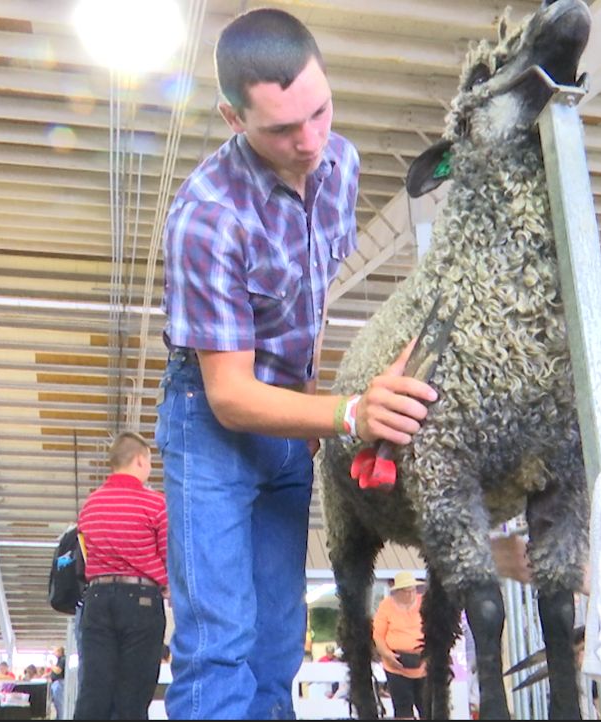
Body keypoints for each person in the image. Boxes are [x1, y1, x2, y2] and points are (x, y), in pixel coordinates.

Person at [157, 9, 436, 719]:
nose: (310, 141)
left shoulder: (341, 165)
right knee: (218, 641)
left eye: (320, 111)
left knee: (279, 640)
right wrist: (347, 412)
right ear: (232, 117)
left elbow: (309, 298)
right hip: (212, 423)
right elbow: (228, 395)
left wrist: (312, 404)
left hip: (291, 412)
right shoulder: (207, 218)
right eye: (283, 129)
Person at [75, 432, 167, 720]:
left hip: (97, 599)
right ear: (139, 460)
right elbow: (169, 556)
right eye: (149, 462)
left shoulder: (90, 505)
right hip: (141, 602)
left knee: (94, 691)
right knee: (133, 696)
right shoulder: (155, 504)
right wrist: (167, 586)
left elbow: (86, 552)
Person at [373, 572, 427, 719]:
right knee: (402, 708)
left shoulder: (425, 603)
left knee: (427, 708)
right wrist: (386, 654)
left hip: (424, 664)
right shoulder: (386, 606)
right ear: (397, 591)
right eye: (406, 591)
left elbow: (437, 630)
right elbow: (378, 635)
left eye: (413, 590)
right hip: (396, 664)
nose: (410, 594)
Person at [49, 646, 65, 719]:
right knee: (56, 703)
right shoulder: (59, 660)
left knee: (59, 703)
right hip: (56, 683)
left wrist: (51, 664)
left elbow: (58, 671)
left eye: (55, 651)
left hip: (59, 683)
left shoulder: (62, 659)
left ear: (59, 651)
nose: (54, 653)